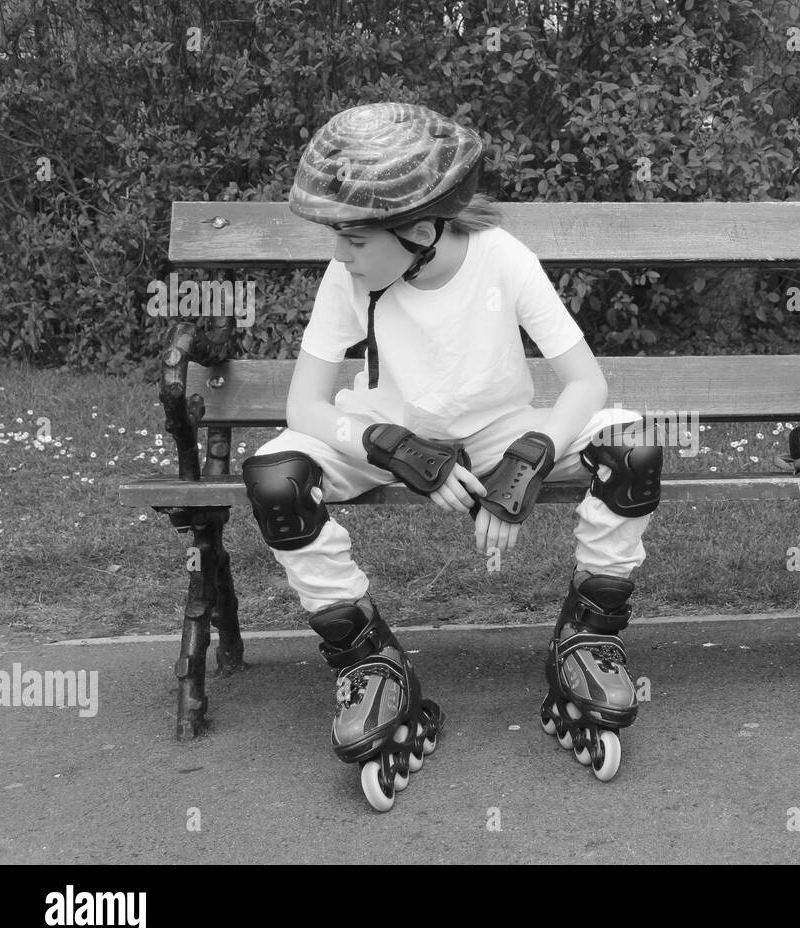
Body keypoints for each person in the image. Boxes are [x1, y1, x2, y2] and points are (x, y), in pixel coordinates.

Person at [240, 102, 661, 810]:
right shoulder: (348, 278)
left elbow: (586, 383)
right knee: (277, 477)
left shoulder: (502, 259)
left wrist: (531, 456)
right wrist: (386, 442)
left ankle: (588, 638)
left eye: (352, 238)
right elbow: (305, 407)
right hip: (384, 434)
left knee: (635, 447)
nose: (340, 254)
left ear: (421, 229)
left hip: (498, 432)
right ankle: (368, 660)